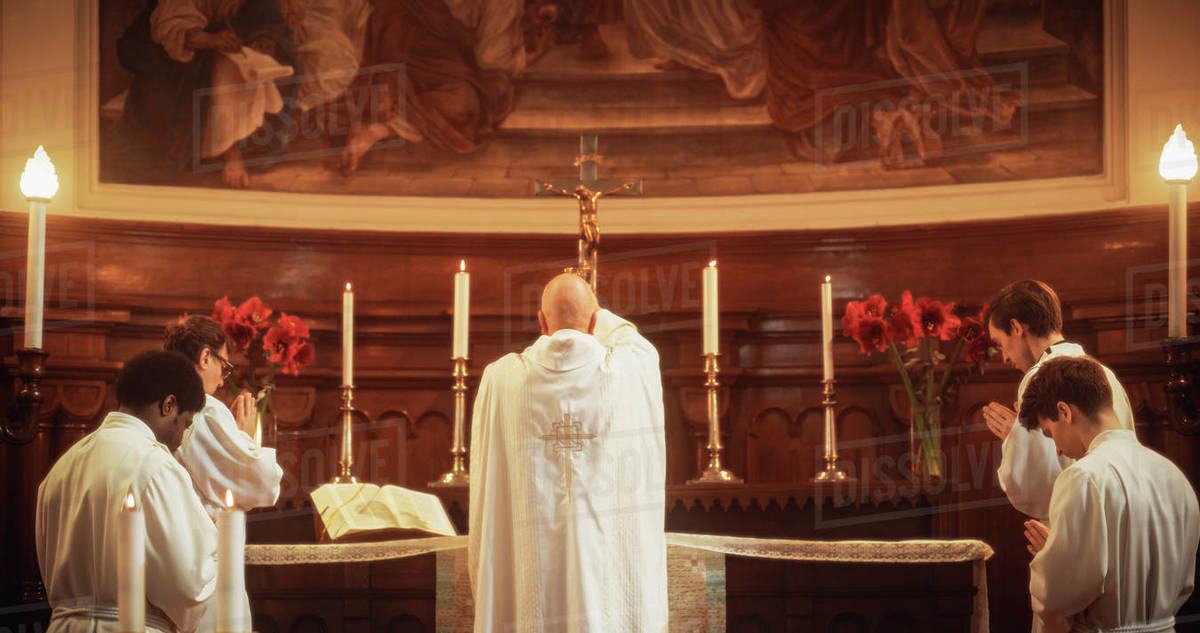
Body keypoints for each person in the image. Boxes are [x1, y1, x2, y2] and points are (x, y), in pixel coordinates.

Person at [468, 273, 667, 632]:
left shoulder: (500, 378)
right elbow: (632, 340)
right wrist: (593, 311)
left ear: (541, 322)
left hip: (531, 569)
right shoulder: (627, 368)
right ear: (594, 322)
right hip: (602, 571)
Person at [36, 351, 216, 633]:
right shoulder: (155, 464)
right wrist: (214, 549)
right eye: (186, 424)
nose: (181, 440)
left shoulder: (63, 466)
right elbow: (187, 586)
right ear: (169, 405)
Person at [1019, 356, 1199, 633]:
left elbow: (1058, 600)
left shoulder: (1083, 477)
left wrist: (1054, 566)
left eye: (1049, 432)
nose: (1055, 448)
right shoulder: (1172, 474)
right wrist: (1063, 556)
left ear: (1064, 411)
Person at [981, 280, 1135, 522]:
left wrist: (1017, 439)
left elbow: (1038, 483)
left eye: (1001, 343)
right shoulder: (1103, 371)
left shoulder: (1041, 377)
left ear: (1016, 327)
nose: (1005, 358)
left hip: (1081, 522)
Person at [165, 315, 283, 518]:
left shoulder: (162, 402)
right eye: (224, 368)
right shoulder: (204, 407)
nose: (221, 382)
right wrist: (245, 436)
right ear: (205, 358)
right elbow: (262, 484)